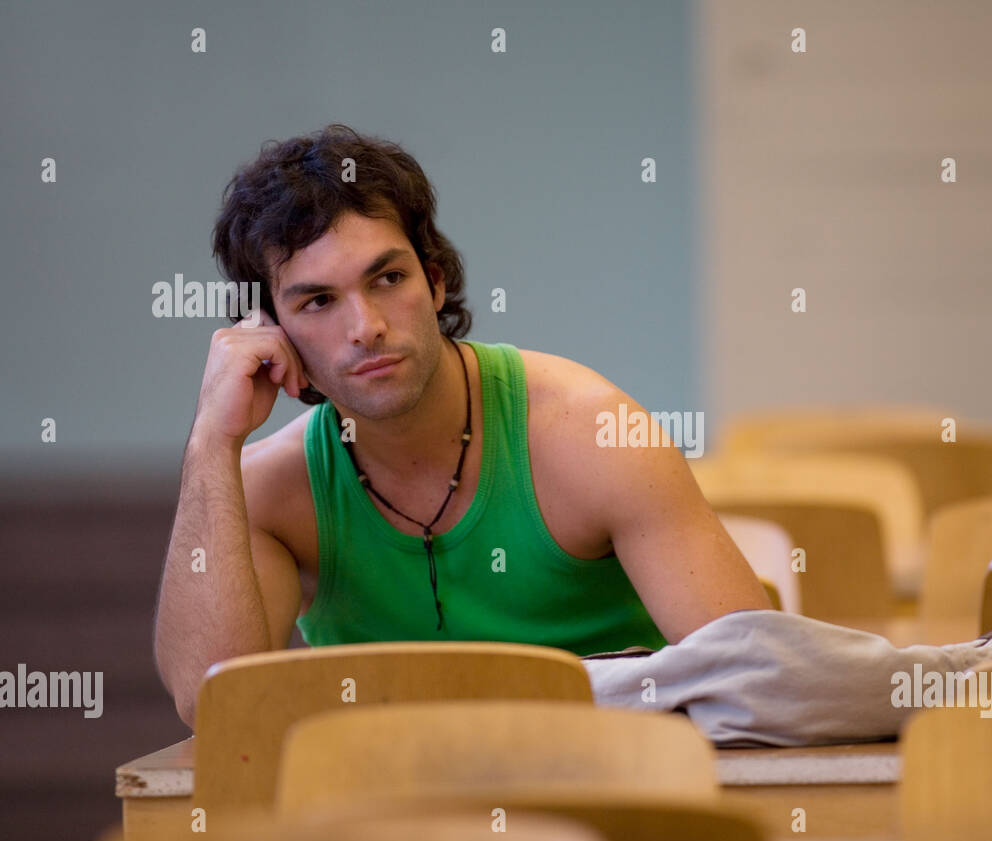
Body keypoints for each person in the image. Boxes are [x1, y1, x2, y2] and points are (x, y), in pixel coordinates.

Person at [153, 124, 770, 728]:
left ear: (437, 279)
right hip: (409, 818)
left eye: (388, 278)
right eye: (318, 301)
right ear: (270, 332)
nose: (365, 325)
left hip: (619, 799)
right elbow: (211, 706)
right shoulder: (272, 492)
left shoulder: (591, 432)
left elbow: (756, 679)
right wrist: (214, 437)